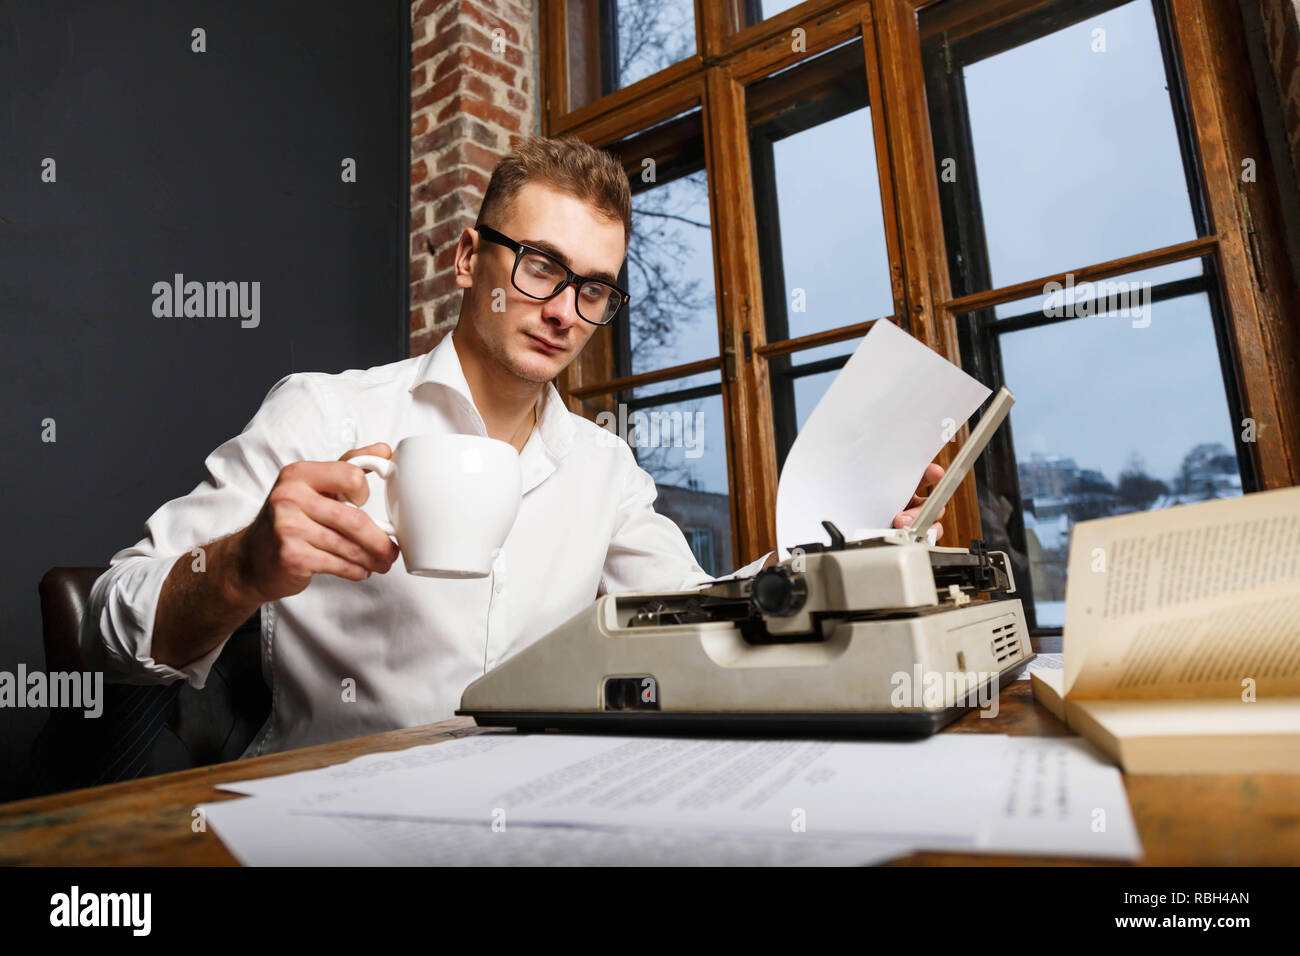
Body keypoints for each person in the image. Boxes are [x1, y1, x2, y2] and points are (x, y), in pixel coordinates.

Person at [81, 136, 946, 756]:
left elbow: (697, 618)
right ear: (468, 258)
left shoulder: (603, 468)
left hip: (538, 814)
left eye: (595, 289)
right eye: (540, 265)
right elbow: (105, 622)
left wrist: (855, 547)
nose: (565, 309)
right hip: (321, 818)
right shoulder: (323, 412)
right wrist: (238, 568)